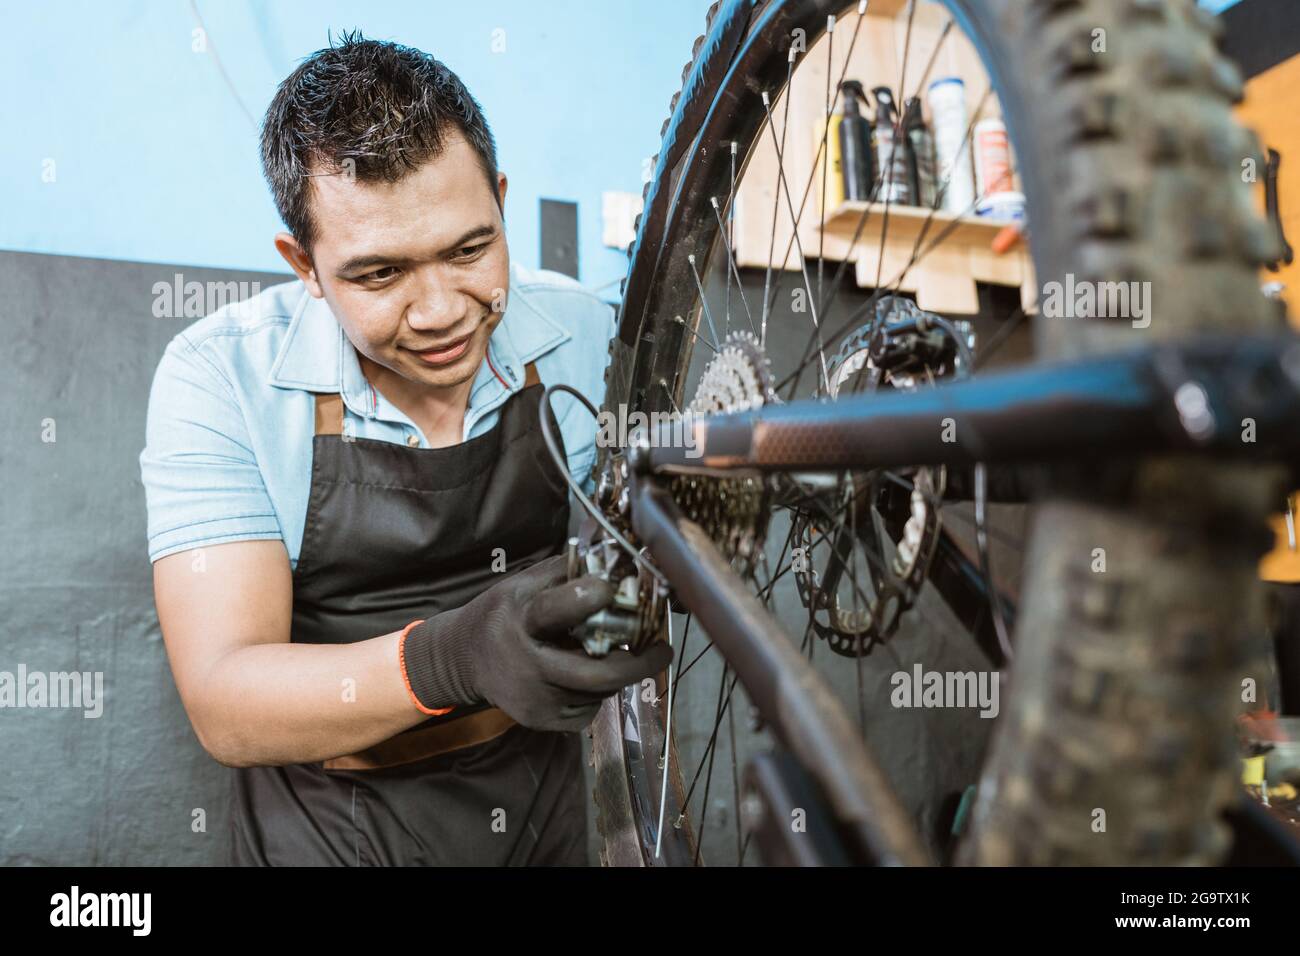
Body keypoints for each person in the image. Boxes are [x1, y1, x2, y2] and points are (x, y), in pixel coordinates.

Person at [139, 32, 671, 866]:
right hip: (333, 824)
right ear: (304, 265)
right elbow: (225, 700)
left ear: (499, 200)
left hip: (554, 807)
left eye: (469, 249)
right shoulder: (220, 378)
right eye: (381, 275)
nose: (440, 310)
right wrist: (454, 656)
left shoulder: (581, 332)